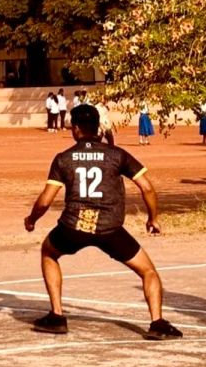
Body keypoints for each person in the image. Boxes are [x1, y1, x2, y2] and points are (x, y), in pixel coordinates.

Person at [23, 103, 182, 340]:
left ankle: (56, 316)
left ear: (75, 129)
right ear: (98, 126)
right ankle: (157, 322)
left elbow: (45, 201)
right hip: (110, 228)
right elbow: (147, 188)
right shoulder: (117, 154)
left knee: (49, 252)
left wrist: (32, 219)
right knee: (148, 271)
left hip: (73, 226)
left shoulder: (64, 158)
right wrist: (153, 218)